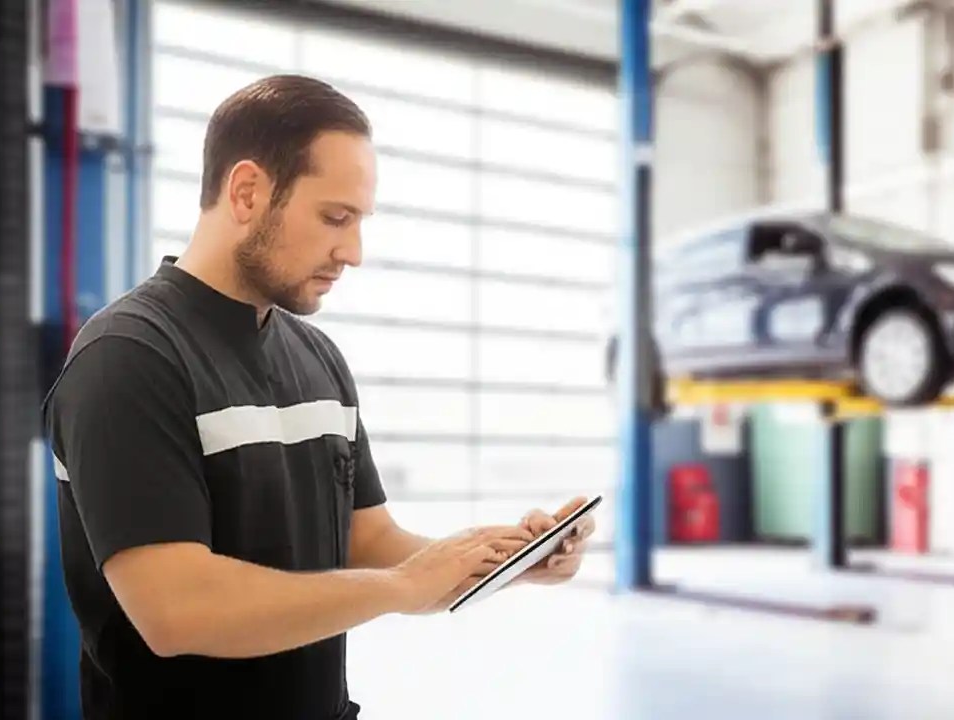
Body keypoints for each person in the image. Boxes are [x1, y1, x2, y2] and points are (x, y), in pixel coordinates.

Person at [42, 74, 595, 720]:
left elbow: (367, 540)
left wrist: (500, 561)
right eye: (335, 217)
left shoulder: (318, 359)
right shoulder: (131, 358)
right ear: (247, 191)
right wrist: (398, 589)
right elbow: (175, 609)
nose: (353, 252)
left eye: (359, 222)